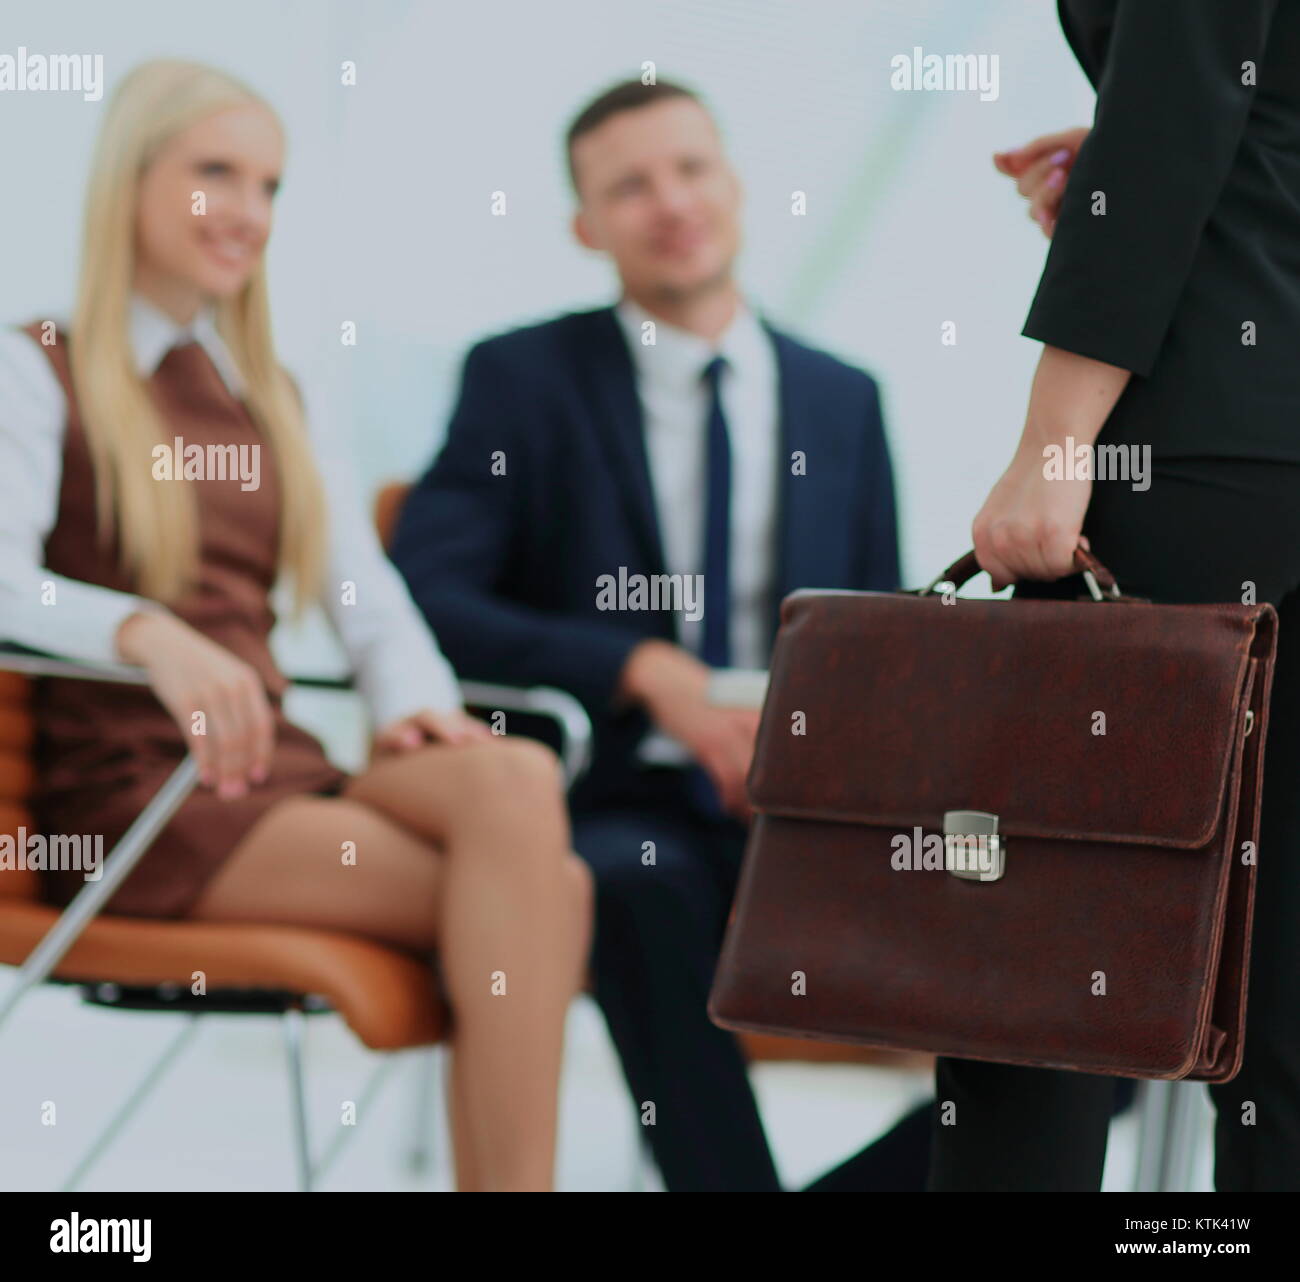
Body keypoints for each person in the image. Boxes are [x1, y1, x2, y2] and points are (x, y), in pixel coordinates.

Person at [0, 59, 592, 1194]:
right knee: (548, 896)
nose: (250, 212)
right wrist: (148, 633)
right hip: (142, 798)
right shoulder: (38, 368)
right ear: (130, 179)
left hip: (275, 770)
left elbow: (363, 594)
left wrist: (415, 704)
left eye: (268, 184)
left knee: (513, 778)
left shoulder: (273, 394)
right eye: (215, 171)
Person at [391, 78, 900, 1191]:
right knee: (635, 886)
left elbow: (878, 635)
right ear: (586, 226)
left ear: (735, 184)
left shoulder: (841, 400)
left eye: (689, 169)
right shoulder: (522, 380)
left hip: (807, 817)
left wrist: (815, 752)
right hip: (624, 802)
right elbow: (423, 592)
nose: (669, 202)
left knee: (1078, 977)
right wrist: (641, 670)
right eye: (629, 186)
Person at [946, 0, 1300, 1190]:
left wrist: (1052, 443)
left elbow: (1164, 136)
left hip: (1206, 453)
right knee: (1278, 992)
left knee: (1029, 972)